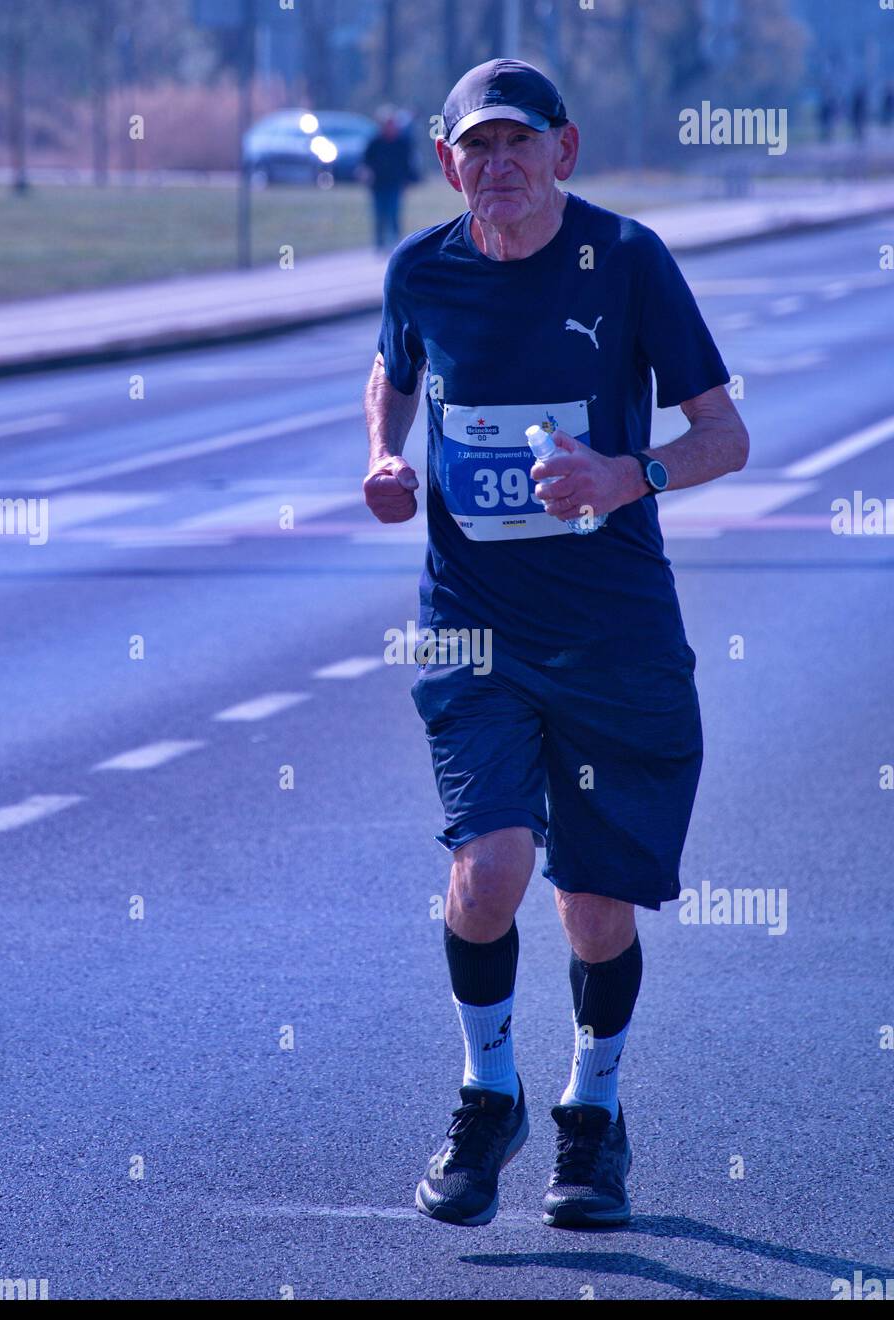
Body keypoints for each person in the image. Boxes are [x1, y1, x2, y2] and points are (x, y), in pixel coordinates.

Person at [363, 58, 749, 1229]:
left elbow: (725, 435)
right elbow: (395, 364)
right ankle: (489, 1090)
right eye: (474, 148)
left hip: (612, 636)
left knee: (592, 906)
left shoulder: (627, 261)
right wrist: (383, 454)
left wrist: (628, 474)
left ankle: (593, 1112)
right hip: (470, 628)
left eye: (518, 144)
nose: (498, 167)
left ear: (562, 153)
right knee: (487, 874)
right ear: (447, 165)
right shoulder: (421, 267)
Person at [360, 105, 419, 251]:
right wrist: (365, 173)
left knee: (394, 212)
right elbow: (366, 161)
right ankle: (380, 243)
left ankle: (395, 242)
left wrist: (408, 179)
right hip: (378, 184)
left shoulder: (401, 143)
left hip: (395, 183)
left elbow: (407, 163)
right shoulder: (375, 142)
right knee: (379, 213)